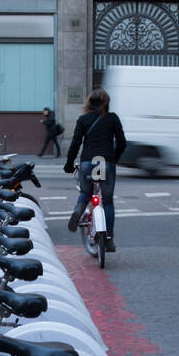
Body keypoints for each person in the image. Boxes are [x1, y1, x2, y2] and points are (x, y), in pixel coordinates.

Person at [64, 89, 127, 252]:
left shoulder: (83, 119)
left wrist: (69, 164)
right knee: (107, 201)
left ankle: (79, 207)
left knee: (85, 192)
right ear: (107, 103)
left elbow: (75, 144)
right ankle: (109, 239)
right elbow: (122, 143)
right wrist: (114, 159)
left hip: (87, 162)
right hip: (106, 162)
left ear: (89, 103)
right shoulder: (113, 118)